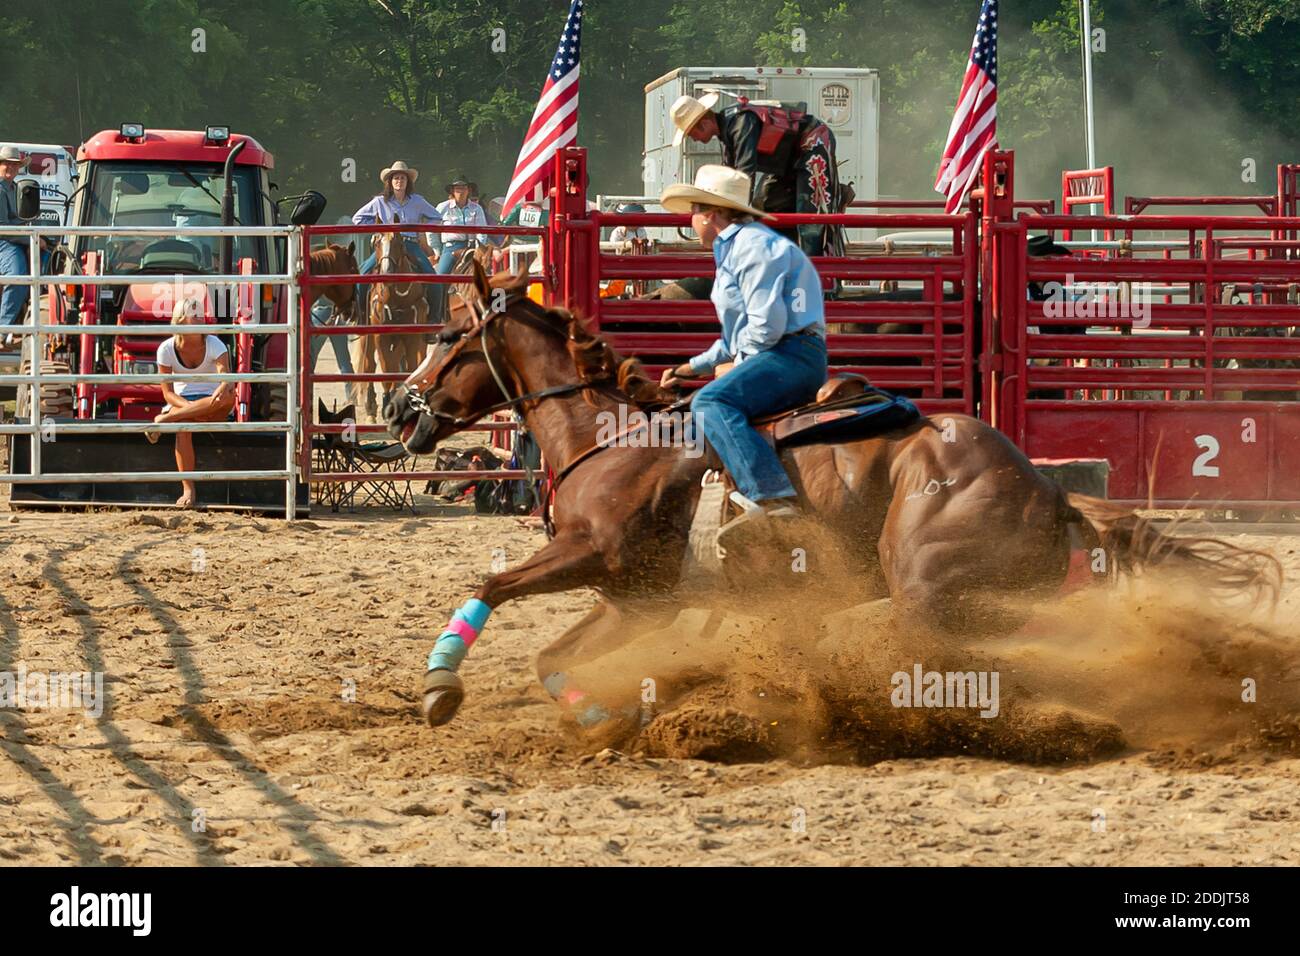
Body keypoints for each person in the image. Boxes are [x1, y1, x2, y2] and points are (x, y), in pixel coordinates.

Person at [658, 165, 828, 544]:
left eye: (694, 211)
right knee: (696, 409)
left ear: (711, 214)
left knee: (711, 403)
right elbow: (737, 337)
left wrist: (738, 364)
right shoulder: (738, 248)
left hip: (792, 354)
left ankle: (771, 498)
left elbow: (767, 326)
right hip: (784, 351)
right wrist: (689, 367)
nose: (691, 219)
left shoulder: (752, 247)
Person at [670, 93, 844, 259]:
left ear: (704, 122)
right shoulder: (730, 127)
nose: (694, 139)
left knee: (811, 215)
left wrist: (733, 212)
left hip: (812, 144)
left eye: (692, 133)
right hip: (788, 160)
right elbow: (732, 175)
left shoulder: (740, 122)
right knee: (766, 206)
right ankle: (786, 259)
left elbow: (745, 172)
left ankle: (819, 276)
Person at [147, 300, 238, 509]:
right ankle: (188, 489)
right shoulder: (166, 349)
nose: (201, 317)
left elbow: (226, 379)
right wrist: (190, 407)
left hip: (213, 401)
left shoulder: (215, 343)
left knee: (227, 396)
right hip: (183, 402)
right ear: (181, 320)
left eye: (201, 314)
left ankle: (166, 420)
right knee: (184, 426)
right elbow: (168, 393)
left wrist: (224, 384)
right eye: (194, 314)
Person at [352, 160, 441, 314]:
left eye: (402, 178)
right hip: (387, 244)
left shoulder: (418, 201)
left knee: (432, 277)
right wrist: (379, 229)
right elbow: (357, 219)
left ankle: (434, 319)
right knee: (363, 274)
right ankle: (361, 315)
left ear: (408, 182)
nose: (399, 181)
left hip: (410, 244)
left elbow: (437, 217)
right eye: (396, 178)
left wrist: (420, 228)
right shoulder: (379, 201)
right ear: (390, 182)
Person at [0, 146, 48, 349]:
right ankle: (3, 330)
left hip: (13, 239)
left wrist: (34, 236)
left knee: (46, 258)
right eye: (6, 163)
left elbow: (17, 222)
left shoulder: (13, 188)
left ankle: (35, 317)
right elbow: (2, 228)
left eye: (14, 164)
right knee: (17, 274)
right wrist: (30, 239)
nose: (11, 167)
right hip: (3, 241)